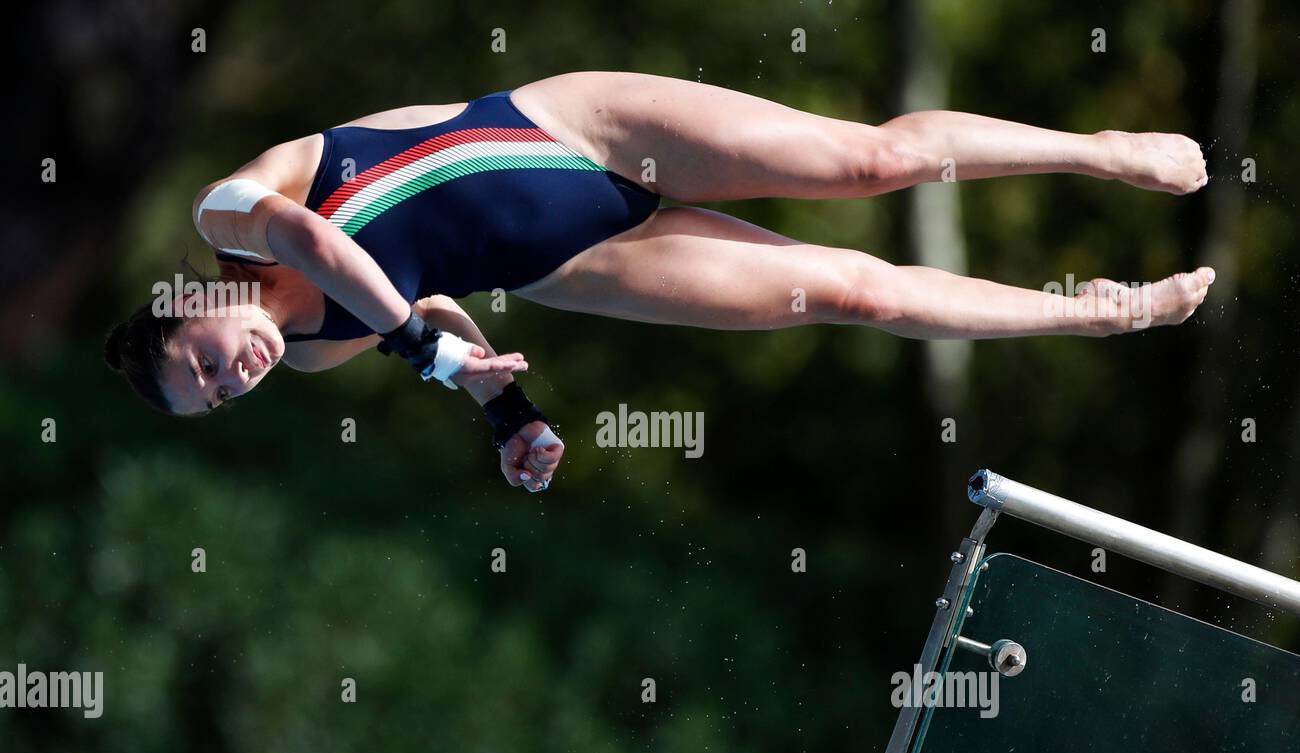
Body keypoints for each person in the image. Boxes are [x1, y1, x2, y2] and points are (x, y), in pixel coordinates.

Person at [104, 71, 1215, 493]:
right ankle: (1093, 310)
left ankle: (1099, 147)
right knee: (851, 293)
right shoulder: (313, 349)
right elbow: (434, 306)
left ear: (188, 304)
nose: (239, 374)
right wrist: (508, 412)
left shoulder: (230, 214)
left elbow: (324, 245)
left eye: (209, 362)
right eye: (225, 396)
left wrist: (423, 349)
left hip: (572, 132)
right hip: (570, 262)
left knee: (866, 163)